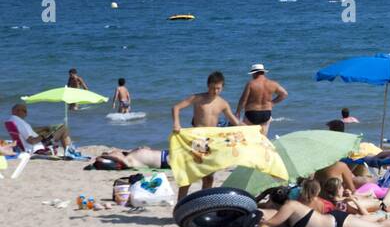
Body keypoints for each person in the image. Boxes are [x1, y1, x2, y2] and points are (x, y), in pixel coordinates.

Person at [258, 179, 390, 227]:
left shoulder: (291, 206)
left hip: (337, 224)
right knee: (370, 221)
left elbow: (271, 222)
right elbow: (273, 220)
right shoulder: (293, 210)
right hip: (336, 224)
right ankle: (384, 215)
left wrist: (263, 223)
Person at [171, 71, 239, 199]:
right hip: (198, 139)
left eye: (218, 88)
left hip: (213, 141)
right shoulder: (198, 98)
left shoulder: (223, 103)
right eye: (212, 88)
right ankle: (180, 204)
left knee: (209, 177)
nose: (215, 91)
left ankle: (204, 202)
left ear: (222, 87)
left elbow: (235, 122)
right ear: (208, 86)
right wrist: (176, 123)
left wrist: (252, 130)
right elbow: (176, 108)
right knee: (190, 174)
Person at [235, 63, 288, 135]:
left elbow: (243, 100)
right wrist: (272, 103)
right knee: (263, 138)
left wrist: (238, 112)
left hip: (252, 114)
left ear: (254, 73)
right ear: (263, 72)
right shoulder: (273, 84)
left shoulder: (251, 84)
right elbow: (284, 94)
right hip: (266, 114)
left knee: (247, 136)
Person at [5, 102, 70, 155]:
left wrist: (45, 128)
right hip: (36, 147)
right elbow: (32, 141)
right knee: (63, 128)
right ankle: (68, 152)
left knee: (51, 128)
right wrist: (44, 135)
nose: (26, 113)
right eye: (25, 111)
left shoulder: (12, 120)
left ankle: (69, 150)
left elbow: (29, 132)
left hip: (26, 147)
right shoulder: (20, 123)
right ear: (18, 111)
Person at [94, 145, 168, 170]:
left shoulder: (129, 155)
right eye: (112, 153)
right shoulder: (128, 161)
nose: (115, 151)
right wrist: (104, 156)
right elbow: (100, 159)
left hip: (164, 155)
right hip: (163, 159)